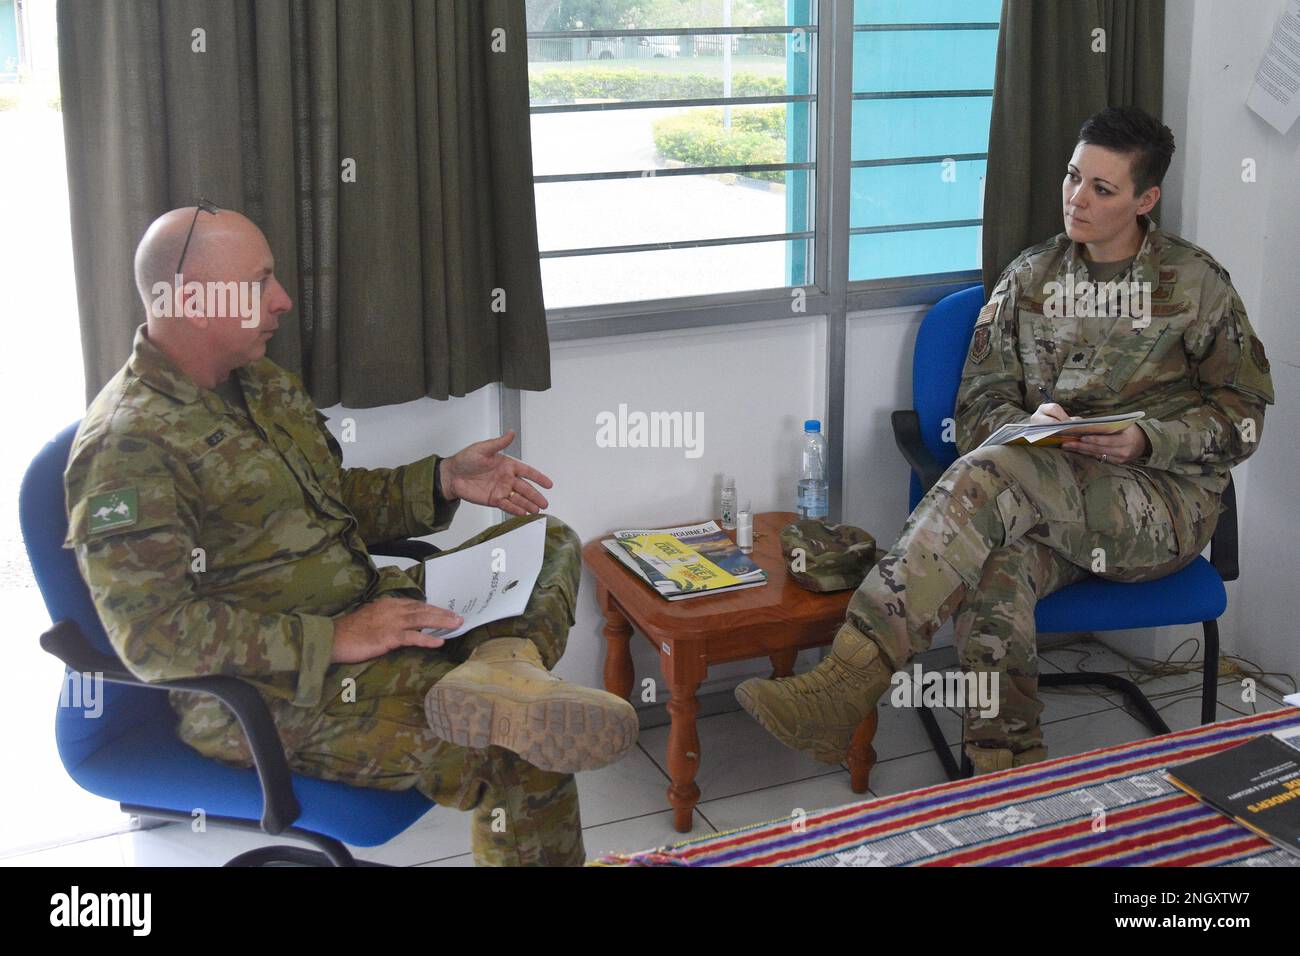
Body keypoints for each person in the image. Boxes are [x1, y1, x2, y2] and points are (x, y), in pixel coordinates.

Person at [63, 205, 638, 865]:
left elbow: (331, 502)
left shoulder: (260, 384)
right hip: (278, 694)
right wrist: (336, 637)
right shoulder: (127, 445)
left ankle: (498, 671)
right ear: (192, 300)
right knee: (519, 751)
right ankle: (501, 694)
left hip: (372, 609)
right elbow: (155, 636)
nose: (281, 301)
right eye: (260, 284)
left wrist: (444, 480)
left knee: (543, 541)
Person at [736, 106, 1276, 774]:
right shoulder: (1030, 278)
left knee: (996, 477)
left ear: (1146, 199)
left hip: (1159, 507)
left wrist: (1147, 438)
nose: (1077, 198)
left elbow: (1244, 414)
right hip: (1046, 502)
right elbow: (976, 407)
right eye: (1074, 177)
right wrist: (1028, 424)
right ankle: (1007, 771)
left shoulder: (1195, 285)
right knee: (996, 574)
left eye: (1102, 189)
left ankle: (849, 681)